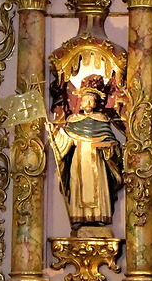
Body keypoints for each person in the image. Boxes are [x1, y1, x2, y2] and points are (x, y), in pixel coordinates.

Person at [48, 86, 123, 229]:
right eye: (85, 100)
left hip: (96, 158)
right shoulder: (73, 120)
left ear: (95, 103)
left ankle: (99, 215)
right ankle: (79, 216)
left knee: (99, 184)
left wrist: (108, 147)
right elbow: (66, 140)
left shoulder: (101, 119)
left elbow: (110, 139)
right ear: (80, 102)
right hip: (79, 157)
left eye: (91, 100)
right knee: (77, 183)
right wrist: (55, 134)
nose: (88, 103)